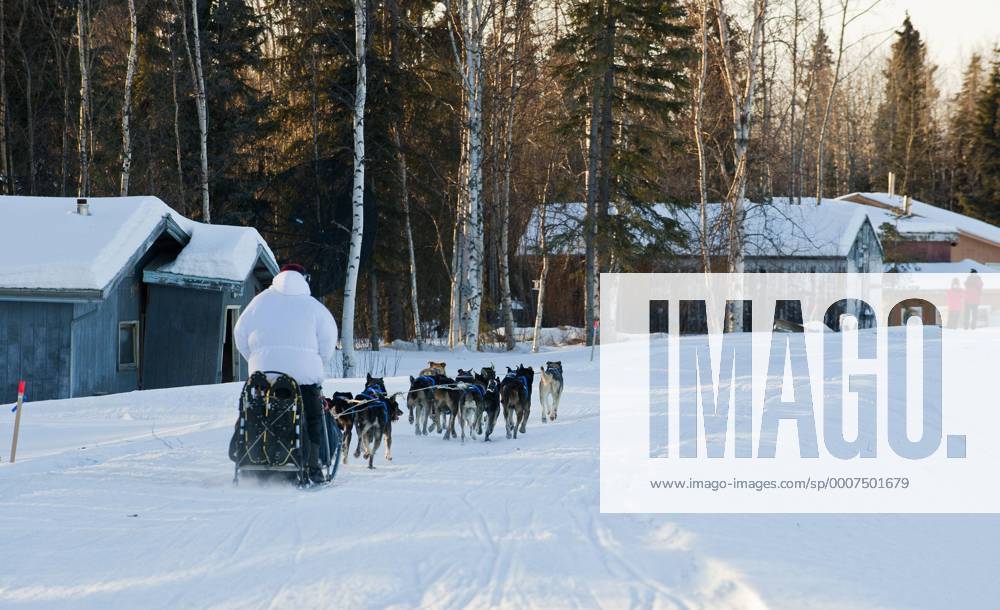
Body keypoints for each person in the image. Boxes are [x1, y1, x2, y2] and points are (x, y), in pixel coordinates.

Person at [235, 263, 338, 483]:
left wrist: (256, 362)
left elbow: (240, 336)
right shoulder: (314, 307)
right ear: (304, 278)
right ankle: (313, 467)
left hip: (264, 377)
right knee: (313, 417)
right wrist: (317, 364)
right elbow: (328, 343)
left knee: (263, 414)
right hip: (304, 376)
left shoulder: (258, 302)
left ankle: (259, 456)